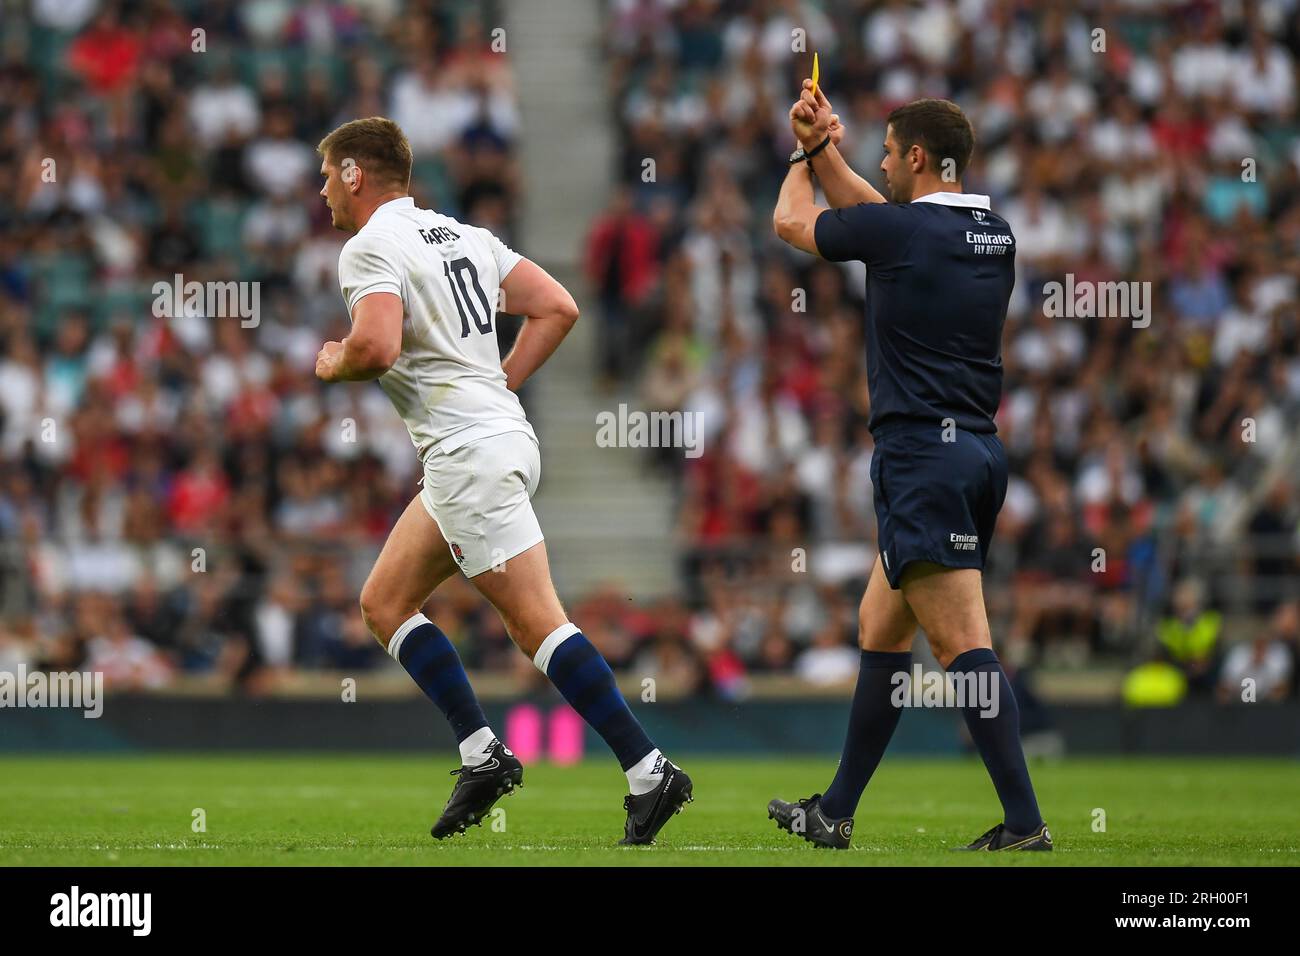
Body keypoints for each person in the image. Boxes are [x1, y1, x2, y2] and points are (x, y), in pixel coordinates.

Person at [313, 117, 691, 845]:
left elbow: (376, 344)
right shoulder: (460, 235)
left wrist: (333, 361)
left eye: (329, 172)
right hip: (494, 440)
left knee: (536, 625)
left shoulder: (367, 248)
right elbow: (559, 306)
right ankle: (481, 752)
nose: (323, 187)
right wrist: (501, 385)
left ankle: (649, 769)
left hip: (467, 451)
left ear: (357, 174)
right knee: (385, 600)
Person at [766, 82, 1050, 851]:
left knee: (961, 646)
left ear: (918, 157)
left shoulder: (898, 234)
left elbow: (794, 221)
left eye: (890, 154)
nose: (883, 165)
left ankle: (1025, 823)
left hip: (921, 455)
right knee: (880, 629)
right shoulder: (995, 233)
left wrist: (801, 150)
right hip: (979, 454)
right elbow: (881, 218)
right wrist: (831, 148)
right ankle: (836, 809)